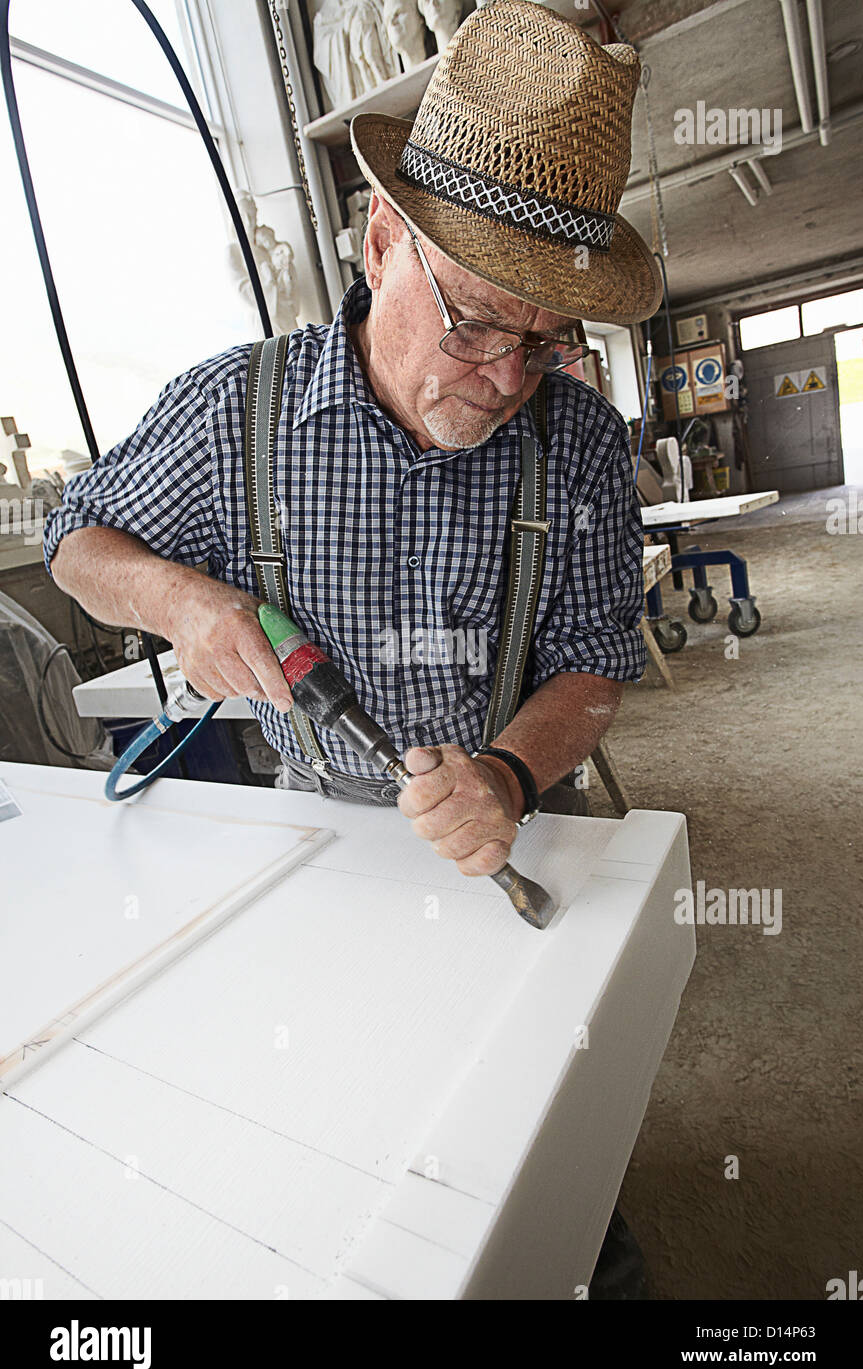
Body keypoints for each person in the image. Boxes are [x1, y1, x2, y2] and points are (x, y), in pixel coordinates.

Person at [44, 0, 663, 1298]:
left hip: (515, 822)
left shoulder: (583, 445)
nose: (505, 375)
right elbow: (72, 541)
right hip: (312, 833)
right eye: (478, 320)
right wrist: (183, 601)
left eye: (544, 340)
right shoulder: (235, 409)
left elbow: (594, 666)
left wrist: (501, 777)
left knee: (550, 1144)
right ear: (382, 241)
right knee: (346, 1124)